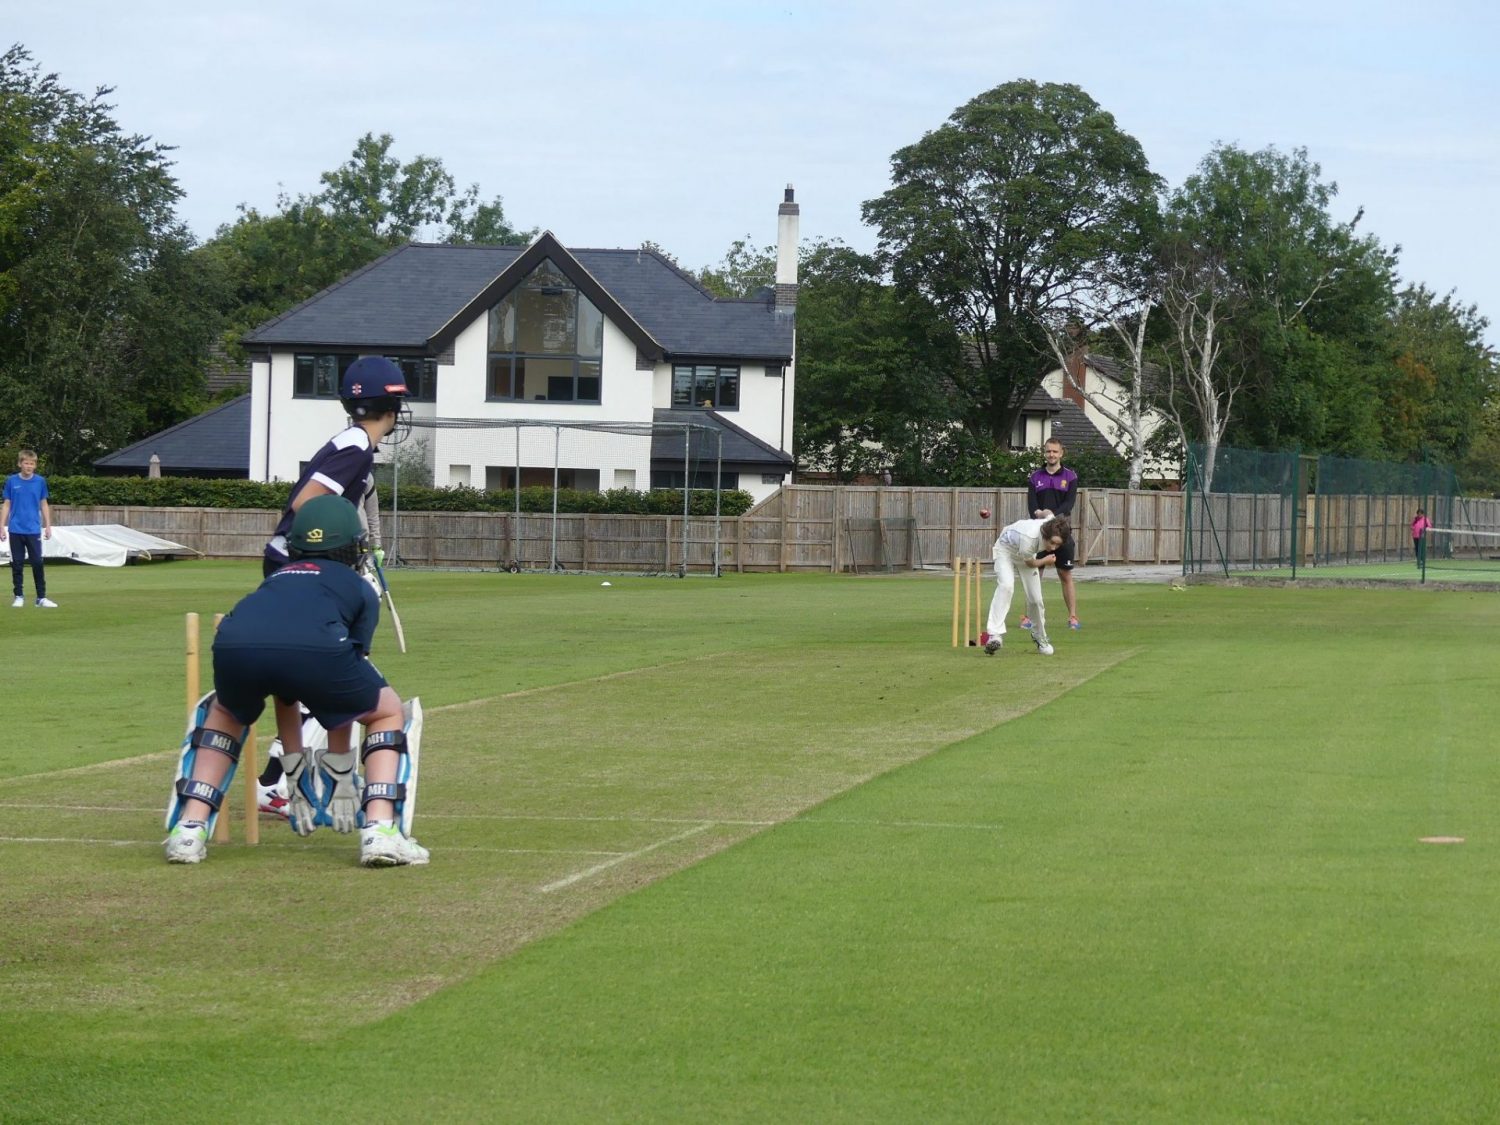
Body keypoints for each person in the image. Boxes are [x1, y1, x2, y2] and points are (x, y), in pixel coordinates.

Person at [164, 495, 428, 866]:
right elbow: (346, 703)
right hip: (318, 651)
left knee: (224, 714)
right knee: (386, 712)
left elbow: (284, 693)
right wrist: (340, 772)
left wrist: (295, 769)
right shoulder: (360, 590)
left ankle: (188, 831)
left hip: (234, 646)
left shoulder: (275, 579)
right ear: (353, 548)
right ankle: (380, 831)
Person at [981, 516, 1072, 657]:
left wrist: (1041, 511)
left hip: (1026, 554)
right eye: (1052, 543)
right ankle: (995, 634)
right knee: (1006, 586)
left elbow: (1048, 513)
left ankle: (1040, 638)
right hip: (1005, 550)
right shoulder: (1029, 538)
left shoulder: (1050, 522)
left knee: (1036, 600)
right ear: (1045, 535)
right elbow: (1030, 563)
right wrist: (1045, 561)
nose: (1053, 548)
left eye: (1058, 545)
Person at [1019, 437, 1079, 632]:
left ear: (1061, 453)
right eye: (1048, 452)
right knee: (1035, 572)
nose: (1051, 455)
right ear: (1044, 453)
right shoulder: (1035, 477)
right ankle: (1028, 616)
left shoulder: (1070, 477)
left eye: (1055, 451)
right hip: (1040, 533)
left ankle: (1072, 617)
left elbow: (1068, 504)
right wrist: (1039, 514)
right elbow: (1032, 505)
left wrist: (1052, 516)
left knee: (1065, 574)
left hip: (1062, 532)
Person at [2, 449, 58, 608]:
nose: (29, 466)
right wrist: (1, 526)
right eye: (26, 463)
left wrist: (47, 525)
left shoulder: (40, 481)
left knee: (37, 563)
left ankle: (41, 598)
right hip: (15, 529)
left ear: (35, 465)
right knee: (17, 564)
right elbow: (6, 505)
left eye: (32, 464)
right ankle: (18, 596)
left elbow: (43, 504)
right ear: (20, 464)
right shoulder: (11, 481)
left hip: (33, 529)